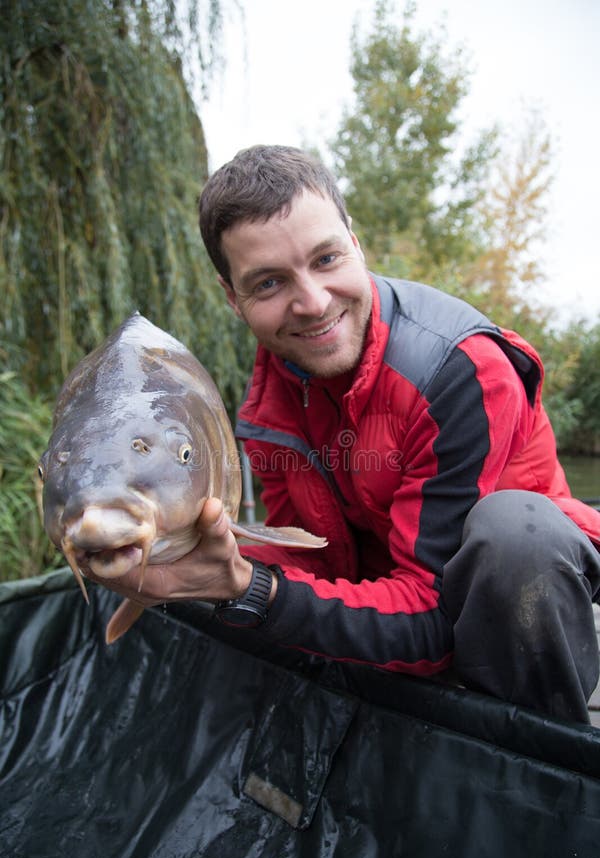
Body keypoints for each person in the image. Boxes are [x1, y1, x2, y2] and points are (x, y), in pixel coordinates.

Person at [91, 145, 600, 724]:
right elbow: (302, 554)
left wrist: (250, 591)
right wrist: (196, 559)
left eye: (327, 259)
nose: (311, 303)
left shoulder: (459, 371)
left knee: (515, 540)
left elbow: (436, 624)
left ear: (354, 243)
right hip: (385, 589)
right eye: (268, 284)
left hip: (499, 597)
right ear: (233, 299)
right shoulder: (266, 403)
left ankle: (548, 750)